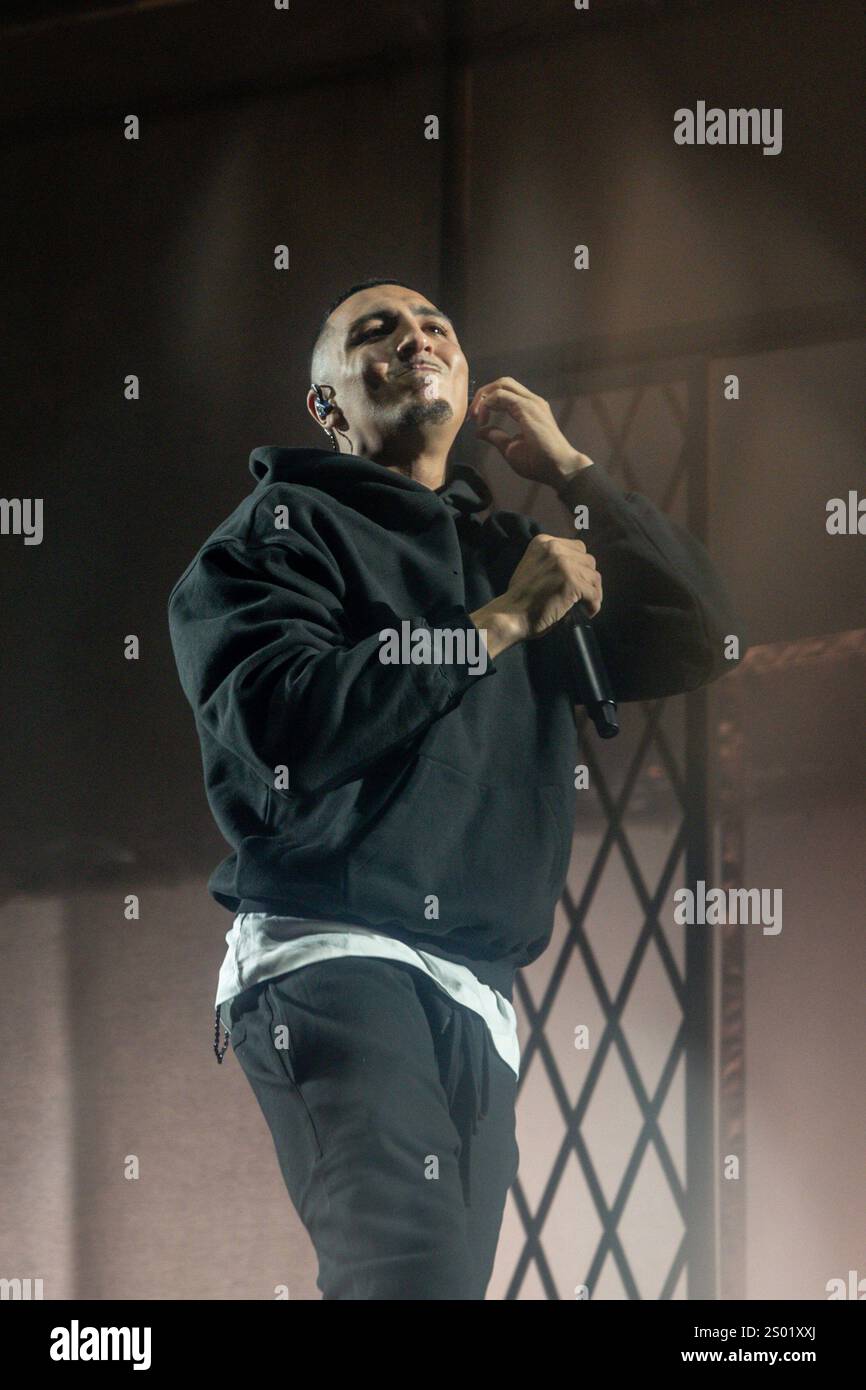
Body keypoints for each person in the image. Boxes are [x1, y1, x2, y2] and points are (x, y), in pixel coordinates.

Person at [167, 277, 745, 1299]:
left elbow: (699, 631)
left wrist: (570, 471)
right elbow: (281, 719)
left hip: (477, 991)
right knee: (406, 1276)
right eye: (375, 333)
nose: (413, 338)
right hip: (332, 954)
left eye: (434, 325)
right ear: (328, 403)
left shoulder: (507, 551)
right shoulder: (277, 530)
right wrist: (499, 624)